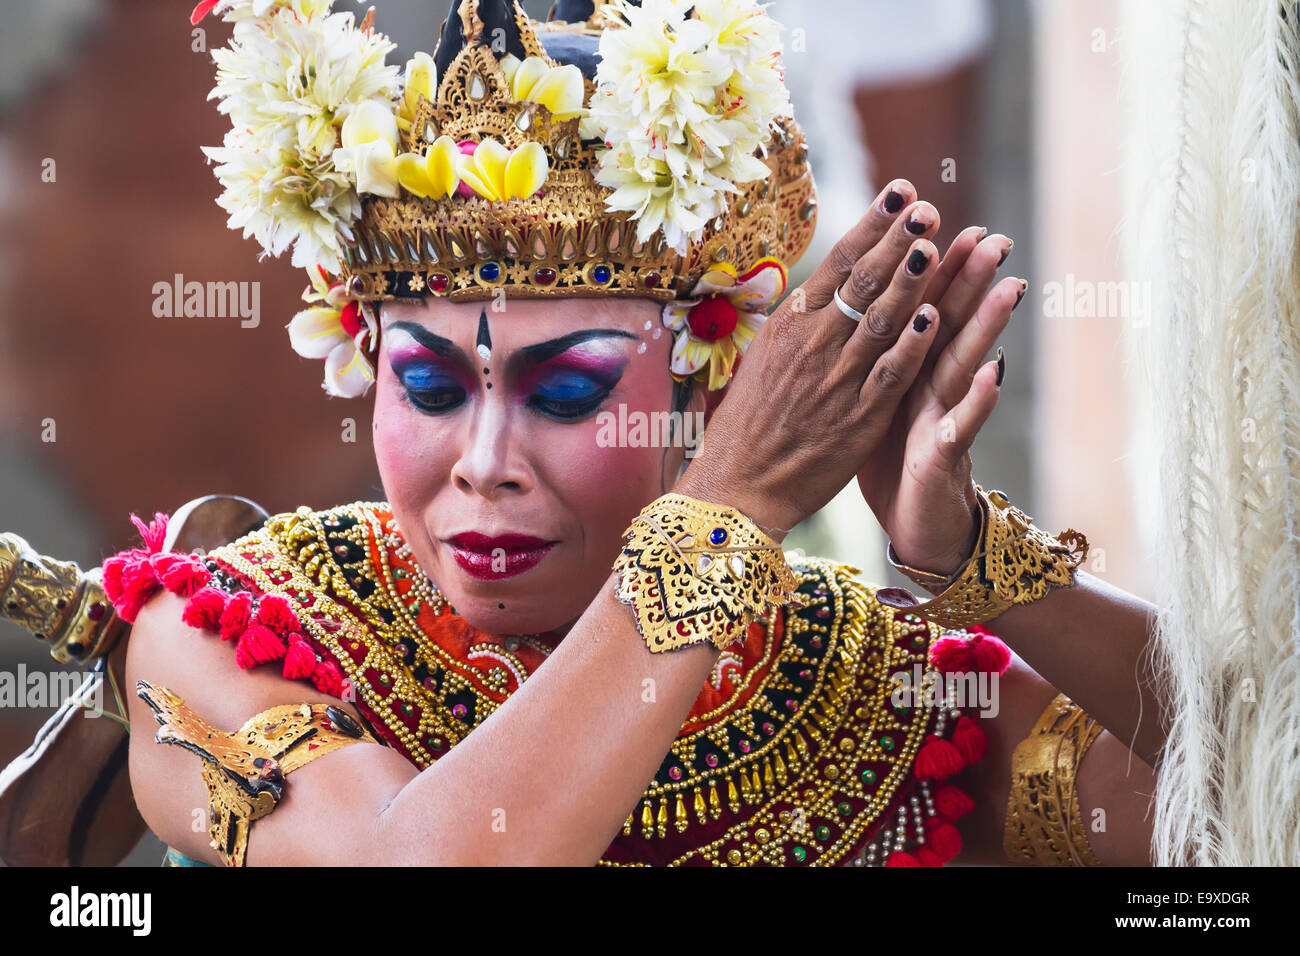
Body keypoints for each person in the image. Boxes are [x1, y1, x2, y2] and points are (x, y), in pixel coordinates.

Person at [1, 0, 1160, 867]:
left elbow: (1242, 817)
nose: (486, 458)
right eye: (429, 381)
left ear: (710, 392)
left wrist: (969, 567)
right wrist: (719, 516)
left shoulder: (863, 684)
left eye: (566, 394)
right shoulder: (237, 632)